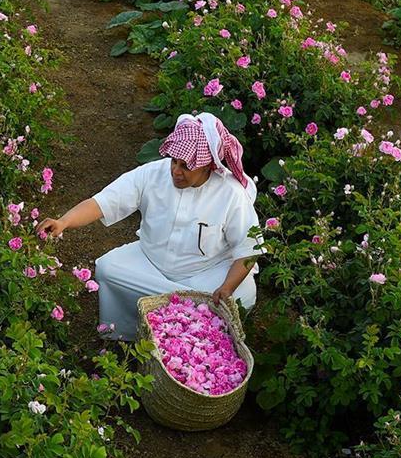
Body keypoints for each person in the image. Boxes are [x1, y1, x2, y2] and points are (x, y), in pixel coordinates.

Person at [35, 112, 265, 341]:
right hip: (150, 265)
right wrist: (64, 221)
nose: (176, 170)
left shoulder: (230, 194)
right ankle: (129, 331)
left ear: (207, 166)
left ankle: (191, 335)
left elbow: (249, 250)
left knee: (242, 294)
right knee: (108, 269)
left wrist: (226, 288)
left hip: (203, 275)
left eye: (186, 166)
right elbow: (104, 202)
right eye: (174, 161)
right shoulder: (152, 174)